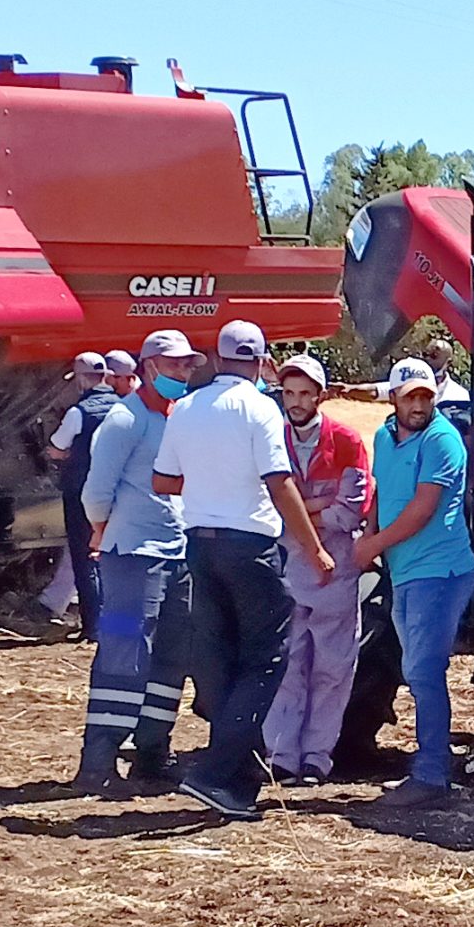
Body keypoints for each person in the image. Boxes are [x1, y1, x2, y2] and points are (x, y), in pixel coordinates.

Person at [151, 320, 335, 820]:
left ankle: (239, 781)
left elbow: (163, 479)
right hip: (249, 545)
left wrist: (210, 477)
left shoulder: (185, 408)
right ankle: (215, 773)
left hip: (199, 545)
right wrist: (314, 549)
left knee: (219, 658)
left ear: (217, 357)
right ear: (259, 362)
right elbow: (279, 483)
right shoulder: (260, 409)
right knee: (267, 658)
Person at [70, 330, 199, 793]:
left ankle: (151, 751)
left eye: (188, 365)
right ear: (148, 367)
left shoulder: (178, 416)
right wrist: (102, 531)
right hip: (132, 557)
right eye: (175, 365)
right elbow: (96, 490)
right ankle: (98, 759)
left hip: (176, 553)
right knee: (125, 649)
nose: (184, 373)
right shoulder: (125, 420)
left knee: (170, 654)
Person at [355, 363, 474, 810]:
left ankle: (431, 774)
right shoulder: (385, 438)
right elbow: (382, 495)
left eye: (426, 397)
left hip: (439, 573)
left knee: (424, 672)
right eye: (411, 397)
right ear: (394, 398)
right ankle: (431, 765)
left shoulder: (442, 440)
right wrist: (369, 536)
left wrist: (372, 547)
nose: (420, 404)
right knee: (416, 669)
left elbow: (424, 509)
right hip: (406, 570)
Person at [262, 355, 372, 783]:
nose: (296, 401)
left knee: (332, 669)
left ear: (320, 396)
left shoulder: (346, 441)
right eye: (289, 393)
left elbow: (351, 512)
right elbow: (264, 506)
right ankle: (282, 755)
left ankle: (316, 758)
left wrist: (295, 510)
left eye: (305, 393)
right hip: (286, 571)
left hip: (334, 574)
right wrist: (317, 508)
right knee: (287, 665)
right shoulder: (271, 439)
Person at [46, 352, 125, 638]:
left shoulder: (78, 413)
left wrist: (66, 455)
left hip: (82, 493)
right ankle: (118, 627)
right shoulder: (124, 407)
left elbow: (56, 447)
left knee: (85, 558)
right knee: (115, 559)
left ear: (81, 379)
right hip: (120, 492)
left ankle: (94, 627)